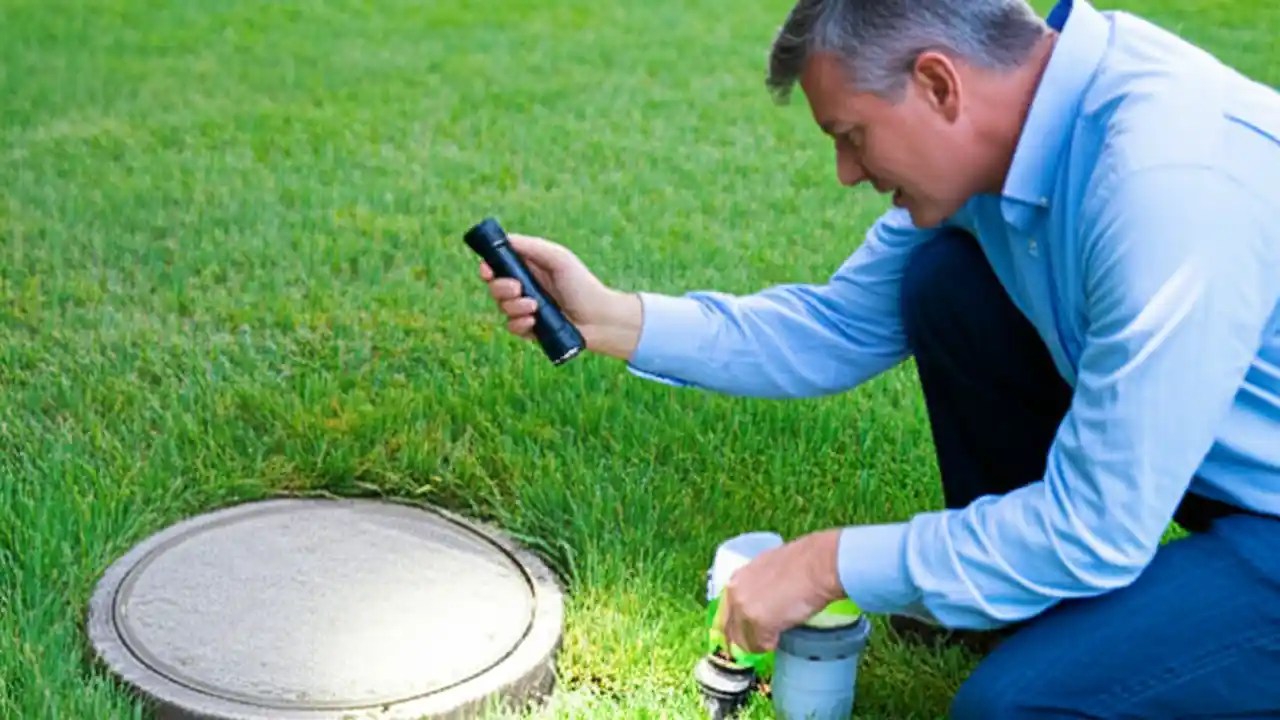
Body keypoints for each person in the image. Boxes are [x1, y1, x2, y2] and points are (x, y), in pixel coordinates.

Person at [477, 0, 1280, 716]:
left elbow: (1097, 526)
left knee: (1020, 706)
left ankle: (1047, 627)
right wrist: (612, 318)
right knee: (943, 281)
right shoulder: (1008, 144)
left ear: (939, 85)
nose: (846, 173)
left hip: (1261, 511)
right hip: (1211, 465)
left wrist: (831, 564)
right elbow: (831, 327)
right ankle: (1018, 607)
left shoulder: (1163, 183)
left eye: (852, 136)